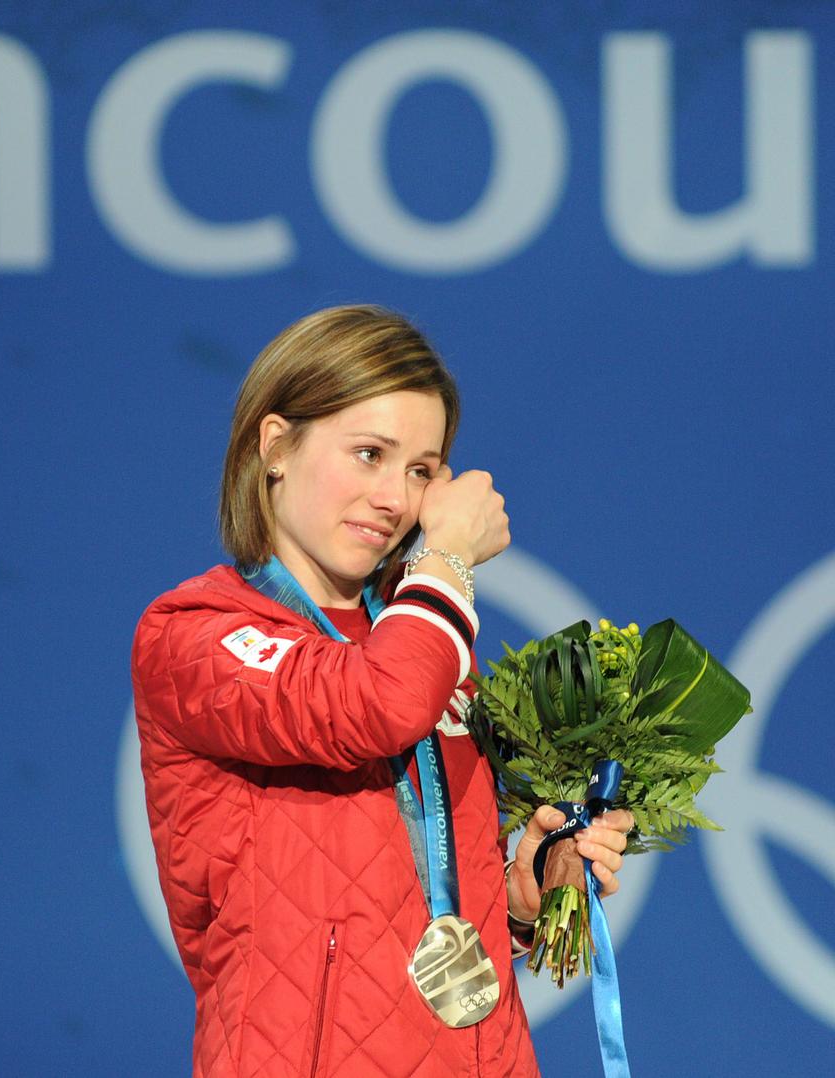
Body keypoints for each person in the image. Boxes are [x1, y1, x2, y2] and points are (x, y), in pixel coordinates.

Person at [130, 305, 633, 1077]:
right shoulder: (194, 635)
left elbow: (401, 899)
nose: (397, 500)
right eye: (369, 454)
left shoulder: (421, 641)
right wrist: (448, 557)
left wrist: (520, 897)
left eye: (422, 471)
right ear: (275, 447)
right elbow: (374, 706)